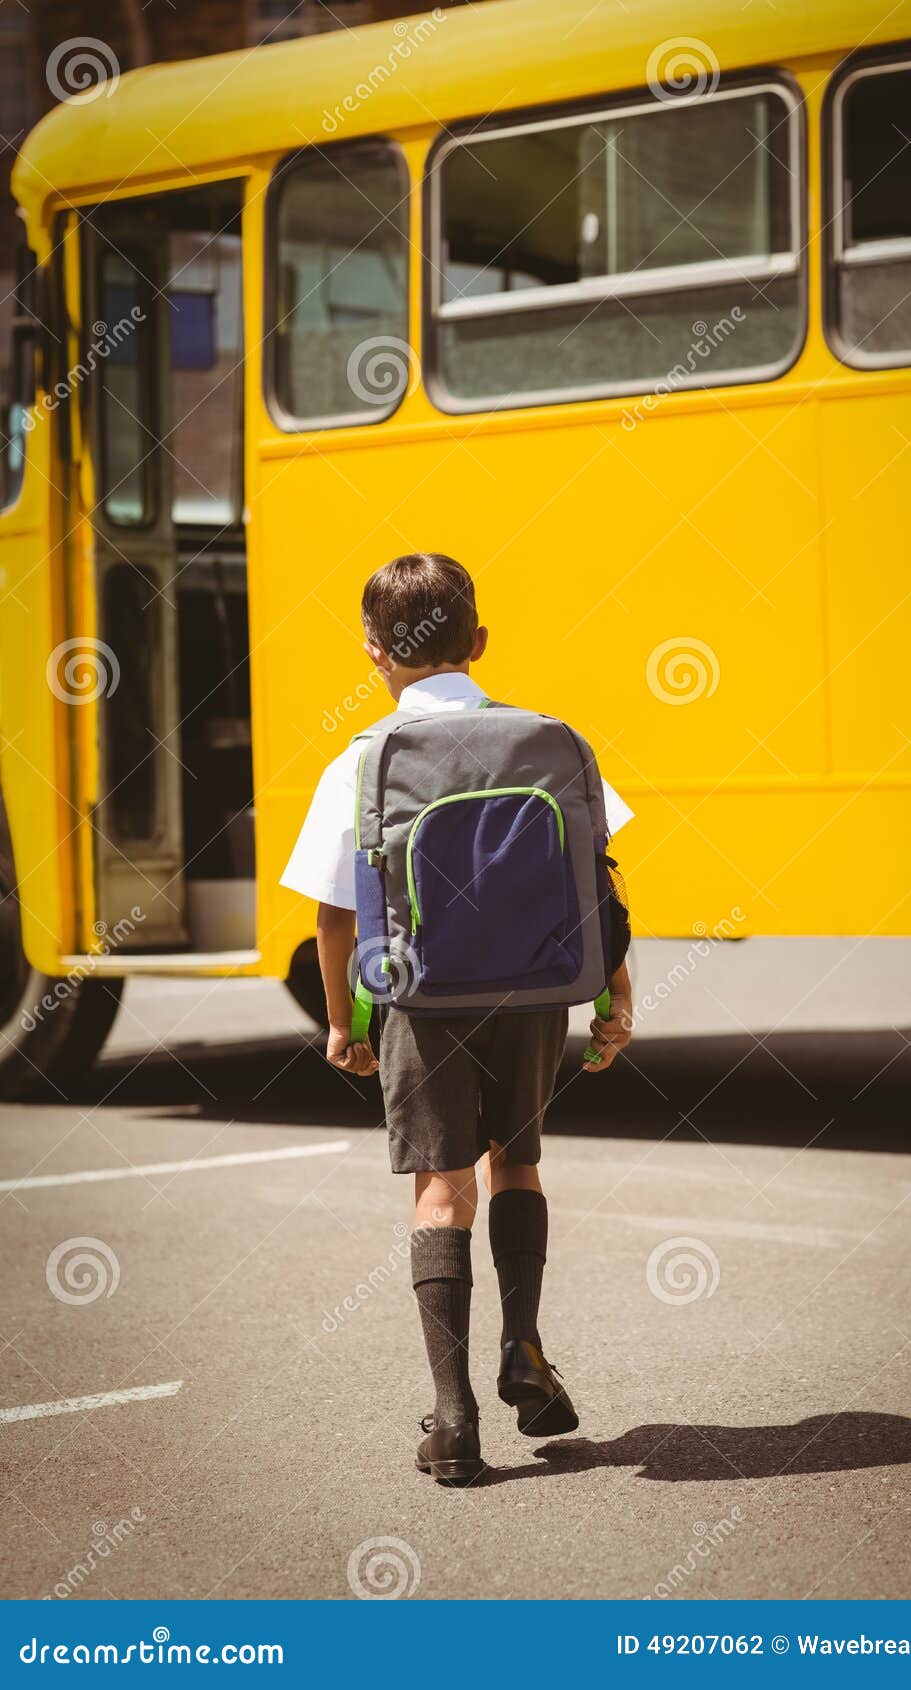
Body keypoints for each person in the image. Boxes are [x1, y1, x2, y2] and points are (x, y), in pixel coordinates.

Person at [281, 552, 633, 1483]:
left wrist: (342, 1025)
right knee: (517, 1164)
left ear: (372, 655)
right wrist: (614, 995)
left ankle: (452, 1414)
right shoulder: (549, 739)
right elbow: (596, 882)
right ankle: (523, 1349)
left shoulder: (360, 761)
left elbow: (330, 916)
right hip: (532, 993)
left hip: (419, 1003)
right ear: (479, 643)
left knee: (441, 1191)